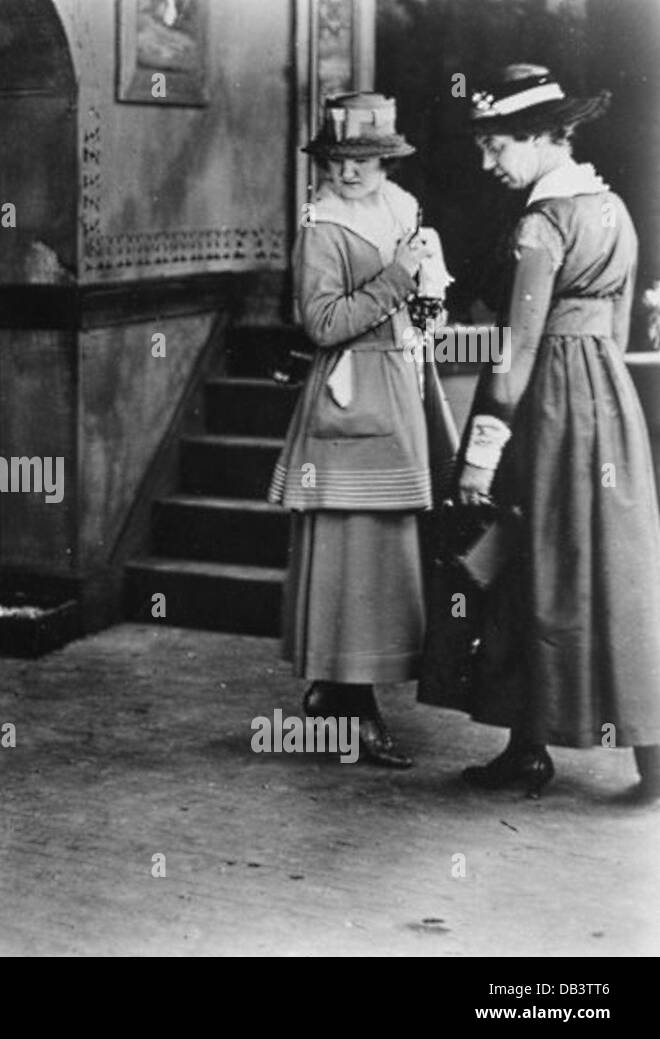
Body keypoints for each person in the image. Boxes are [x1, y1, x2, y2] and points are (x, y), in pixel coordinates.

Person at [446, 64, 660, 802]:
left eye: (499, 144)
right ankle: (645, 758)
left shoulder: (540, 224)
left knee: (526, 558)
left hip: (546, 407)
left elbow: (517, 349)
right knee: (614, 566)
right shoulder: (614, 209)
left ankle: (527, 744)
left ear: (542, 137)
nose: (488, 160)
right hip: (610, 402)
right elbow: (622, 323)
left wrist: (480, 454)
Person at [269, 92, 451, 768]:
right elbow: (321, 324)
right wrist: (400, 277)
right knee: (353, 554)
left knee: (387, 555)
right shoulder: (321, 224)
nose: (349, 173)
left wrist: (429, 293)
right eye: (338, 160)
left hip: (399, 387)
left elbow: (420, 297)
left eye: (364, 159)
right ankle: (347, 701)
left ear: (386, 159)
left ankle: (341, 698)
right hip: (349, 396)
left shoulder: (402, 209)